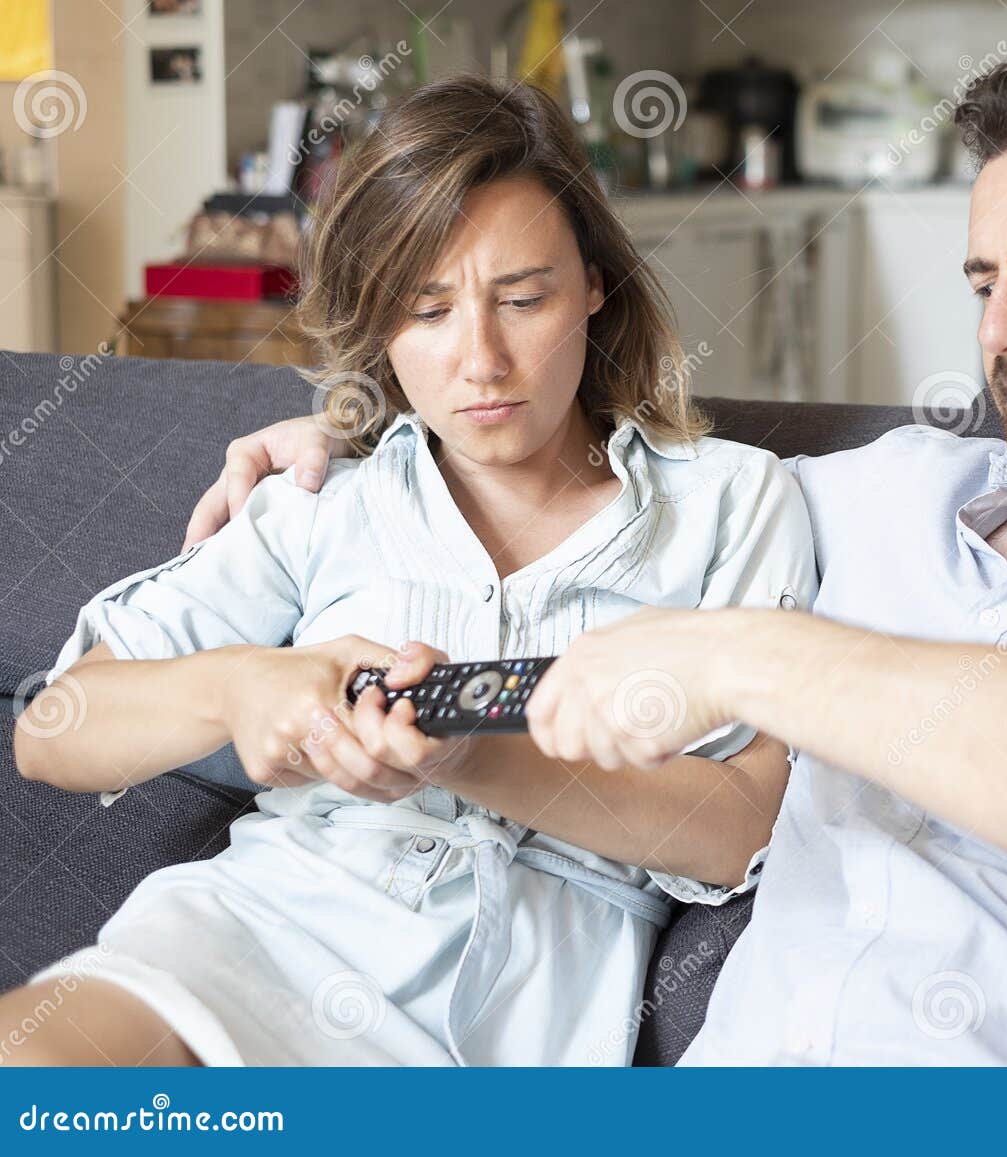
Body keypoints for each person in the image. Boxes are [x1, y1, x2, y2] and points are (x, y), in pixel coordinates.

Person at [183, 55, 1007, 1065]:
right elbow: (584, 470)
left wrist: (743, 653)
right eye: (987, 278)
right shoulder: (894, 496)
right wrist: (364, 444)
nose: (1004, 329)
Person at [1, 76, 815, 1066]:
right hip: (247, 940)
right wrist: (239, 684)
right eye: (425, 310)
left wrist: (468, 754)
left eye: (524, 297)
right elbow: (53, 729)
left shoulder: (734, 503)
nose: (482, 360)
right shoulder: (319, 496)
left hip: (521, 1022)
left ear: (596, 281)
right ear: (380, 325)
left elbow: (737, 824)